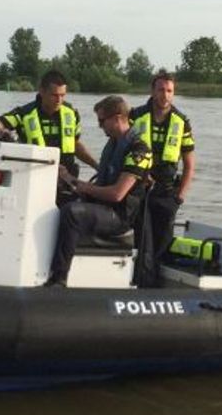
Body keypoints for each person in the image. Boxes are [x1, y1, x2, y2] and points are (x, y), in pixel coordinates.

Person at [45, 95, 152, 287]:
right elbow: (99, 187)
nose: (100, 126)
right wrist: (70, 180)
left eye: (102, 121)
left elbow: (117, 194)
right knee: (60, 201)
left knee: (72, 213)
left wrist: (84, 187)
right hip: (103, 208)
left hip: (119, 216)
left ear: (118, 117)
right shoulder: (112, 145)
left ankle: (59, 279)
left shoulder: (139, 150)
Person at [0, 70, 97, 203]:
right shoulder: (24, 113)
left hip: (67, 179)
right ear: (42, 91)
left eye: (63, 95)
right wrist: (1, 131)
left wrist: (96, 166)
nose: (59, 100)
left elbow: (75, 144)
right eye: (54, 95)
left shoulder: (72, 113)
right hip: (34, 177)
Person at [129, 70, 196, 262]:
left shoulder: (181, 122)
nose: (165, 95)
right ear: (152, 91)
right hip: (139, 188)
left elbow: (190, 164)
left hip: (167, 193)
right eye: (161, 90)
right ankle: (138, 281)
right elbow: (123, 151)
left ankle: (156, 284)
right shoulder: (135, 116)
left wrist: (179, 197)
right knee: (139, 240)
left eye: (169, 90)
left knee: (162, 244)